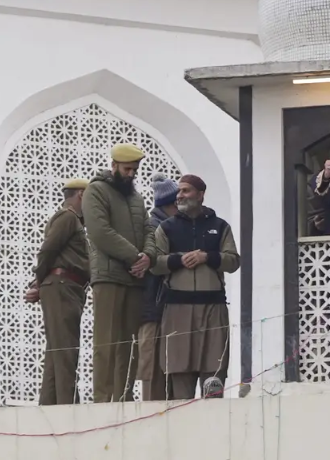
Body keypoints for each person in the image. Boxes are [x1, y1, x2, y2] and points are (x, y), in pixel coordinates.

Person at [151, 174, 239, 400]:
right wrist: (179, 260)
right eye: (179, 191)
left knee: (214, 374)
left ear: (200, 195)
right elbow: (154, 264)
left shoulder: (220, 227)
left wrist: (206, 257)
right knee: (180, 374)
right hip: (177, 310)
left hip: (213, 308)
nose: (180, 195)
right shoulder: (166, 228)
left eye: (186, 191)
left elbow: (233, 261)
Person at [83, 143, 156, 403]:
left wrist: (148, 256)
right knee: (107, 342)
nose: (131, 174)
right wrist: (135, 257)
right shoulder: (96, 191)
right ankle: (103, 400)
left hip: (134, 279)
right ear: (114, 166)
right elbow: (100, 232)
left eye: (135, 170)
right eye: (127, 169)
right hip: (109, 278)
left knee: (130, 344)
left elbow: (149, 229)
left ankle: (123, 396)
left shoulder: (136, 198)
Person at [24, 178, 93, 405]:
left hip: (65, 288)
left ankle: (50, 405)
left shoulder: (72, 220)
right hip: (63, 286)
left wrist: (41, 283)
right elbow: (48, 251)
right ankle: (68, 408)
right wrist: (39, 281)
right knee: (66, 350)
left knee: (57, 351)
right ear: (81, 194)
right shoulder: (68, 217)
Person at [138, 174, 179, 401]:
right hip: (153, 309)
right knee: (154, 371)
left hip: (161, 308)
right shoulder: (156, 229)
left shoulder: (160, 226)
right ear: (172, 204)